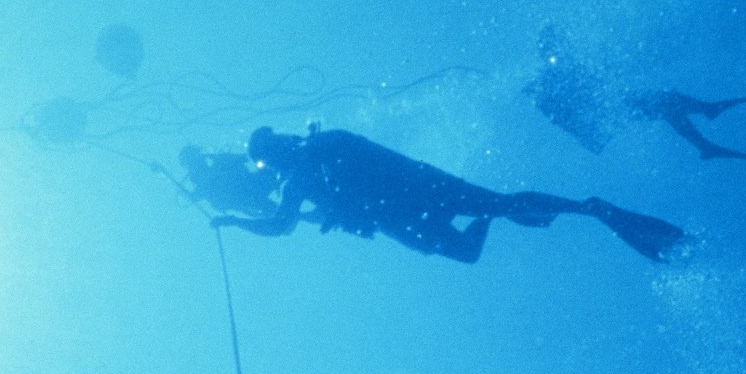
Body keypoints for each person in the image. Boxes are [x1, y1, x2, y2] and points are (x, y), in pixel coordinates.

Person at [210, 124, 686, 263]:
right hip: (414, 194)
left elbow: (280, 225)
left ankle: (590, 209)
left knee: (484, 221)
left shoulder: (306, 170)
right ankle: (586, 208)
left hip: (408, 202)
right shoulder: (320, 150)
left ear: (272, 156)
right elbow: (283, 222)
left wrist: (234, 222)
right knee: (481, 226)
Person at [527, 24, 746, 161]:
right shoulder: (550, 79)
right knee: (664, 101)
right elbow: (559, 111)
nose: (564, 48)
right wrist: (590, 135)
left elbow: (599, 81)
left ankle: (705, 136)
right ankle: (707, 119)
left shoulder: (565, 70)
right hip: (603, 116)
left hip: (607, 110)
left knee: (665, 103)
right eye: (558, 44)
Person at [177, 144, 281, 217]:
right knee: (277, 212)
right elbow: (202, 193)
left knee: (274, 173)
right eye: (191, 162)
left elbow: (244, 158)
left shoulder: (218, 160)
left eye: (196, 158)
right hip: (243, 197)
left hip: (248, 188)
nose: (196, 163)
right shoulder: (199, 177)